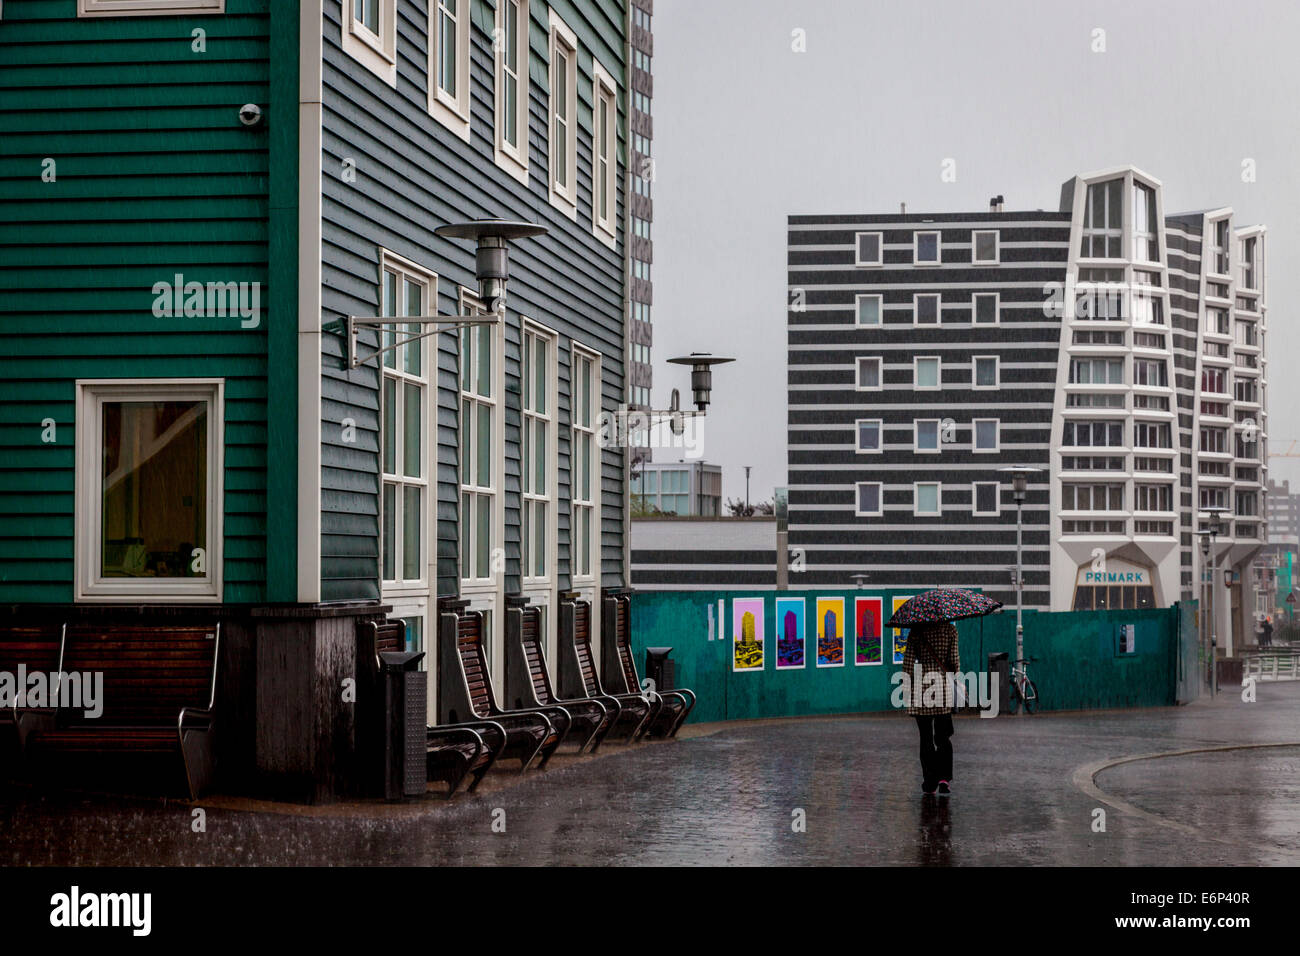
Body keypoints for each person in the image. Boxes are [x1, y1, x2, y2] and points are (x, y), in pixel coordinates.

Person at [901, 620, 960, 796]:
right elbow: (954, 662)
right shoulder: (950, 629)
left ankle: (929, 781)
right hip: (942, 686)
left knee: (925, 738)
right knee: (943, 737)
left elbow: (908, 663)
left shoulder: (916, 631)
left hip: (922, 687)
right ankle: (944, 778)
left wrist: (906, 688)